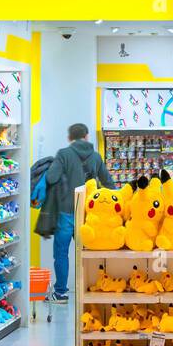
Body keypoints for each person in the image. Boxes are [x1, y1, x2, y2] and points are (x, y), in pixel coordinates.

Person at [45, 123, 114, 302]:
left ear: (70, 137)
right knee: (89, 252)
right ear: (87, 136)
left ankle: (61, 293)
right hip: (88, 214)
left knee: (61, 253)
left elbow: (51, 178)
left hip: (66, 211)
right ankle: (94, 289)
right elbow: (109, 182)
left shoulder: (63, 155)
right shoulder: (96, 157)